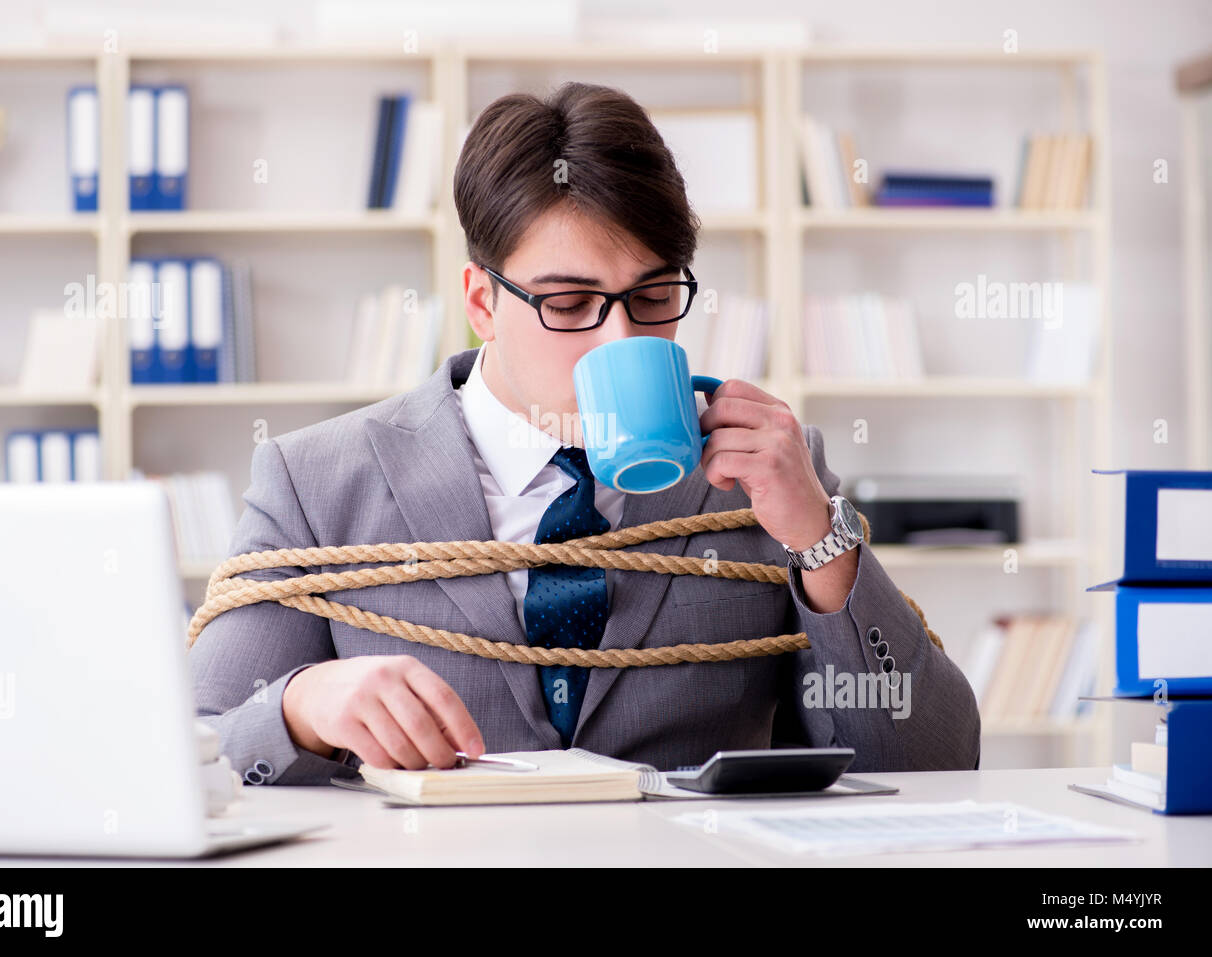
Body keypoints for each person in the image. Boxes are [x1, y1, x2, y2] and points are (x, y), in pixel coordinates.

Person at [189, 82, 980, 785]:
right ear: (480, 300)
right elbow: (193, 751)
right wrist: (298, 705)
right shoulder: (317, 479)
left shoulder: (770, 481)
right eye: (568, 304)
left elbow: (937, 764)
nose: (616, 340)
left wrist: (823, 542)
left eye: (653, 296)